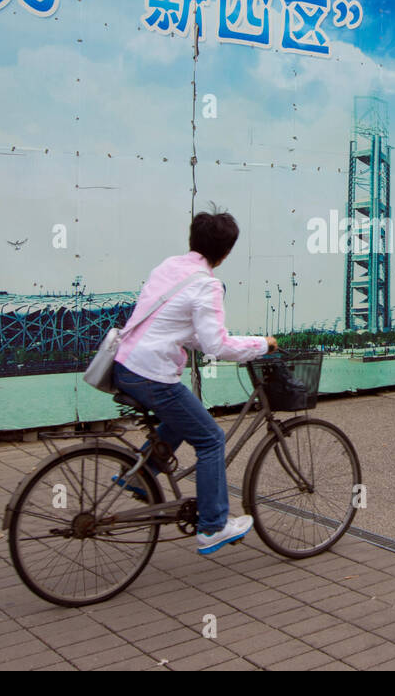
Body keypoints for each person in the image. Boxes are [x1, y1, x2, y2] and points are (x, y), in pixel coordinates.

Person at [112, 210, 277, 555]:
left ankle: (139, 476)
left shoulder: (169, 266)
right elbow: (216, 346)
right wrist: (261, 345)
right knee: (211, 438)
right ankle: (213, 526)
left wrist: (240, 341)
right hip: (152, 374)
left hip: (125, 365)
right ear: (226, 252)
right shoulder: (207, 284)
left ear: (192, 240)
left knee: (187, 415)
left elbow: (192, 333)